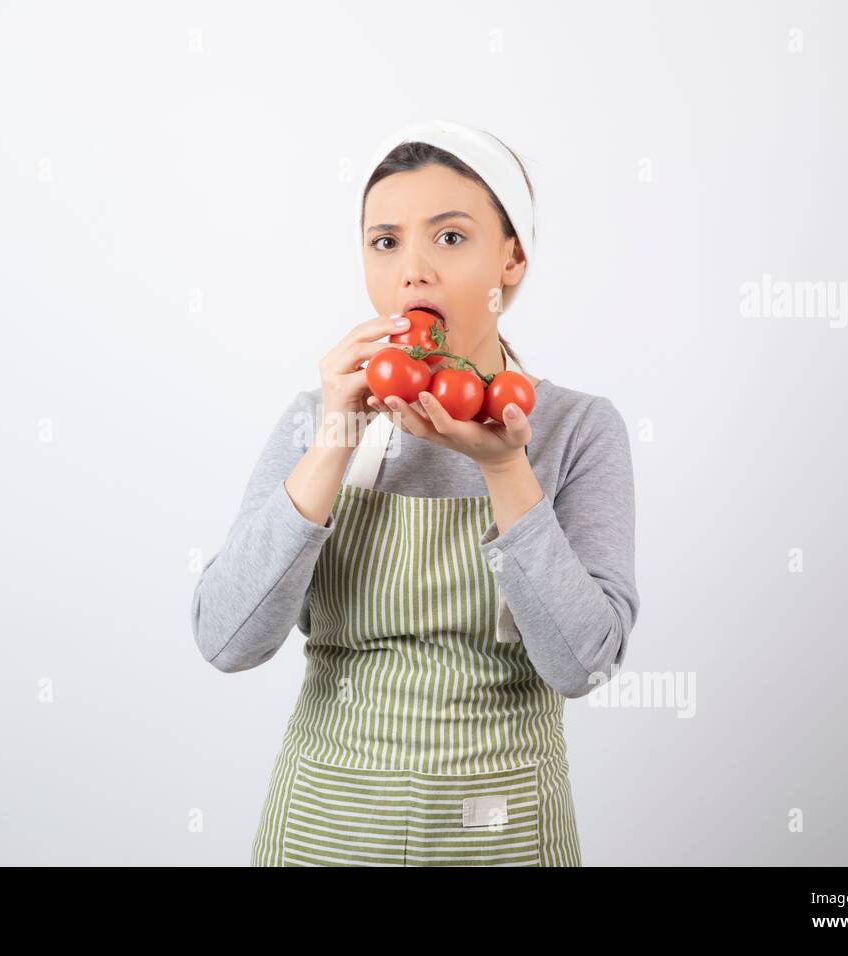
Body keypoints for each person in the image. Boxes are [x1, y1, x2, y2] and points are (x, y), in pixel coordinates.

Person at [191, 119, 640, 866]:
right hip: (326, 826)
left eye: (451, 238)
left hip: (501, 831)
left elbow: (583, 666)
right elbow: (227, 641)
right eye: (386, 241)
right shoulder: (316, 418)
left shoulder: (576, 429)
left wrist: (506, 471)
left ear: (513, 259)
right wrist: (334, 438)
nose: (414, 271)